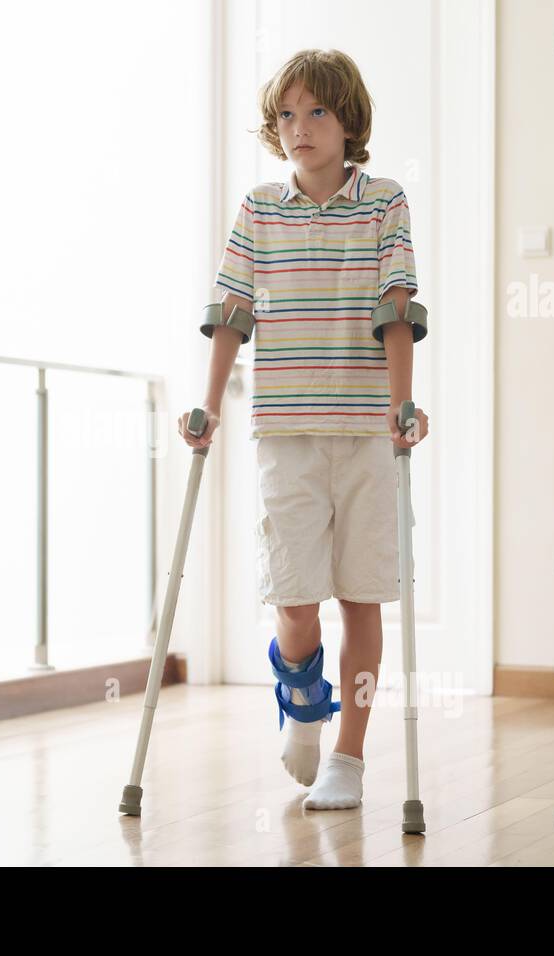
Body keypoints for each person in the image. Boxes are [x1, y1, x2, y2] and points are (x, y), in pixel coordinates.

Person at [179, 48, 430, 811]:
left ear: (348, 120)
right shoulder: (259, 209)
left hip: (363, 436)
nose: (300, 128)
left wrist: (402, 405)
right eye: (286, 114)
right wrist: (210, 406)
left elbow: (398, 309)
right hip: (284, 433)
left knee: (361, 598)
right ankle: (306, 704)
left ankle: (347, 759)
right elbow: (231, 314)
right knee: (293, 602)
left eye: (317, 111)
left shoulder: (383, 201)